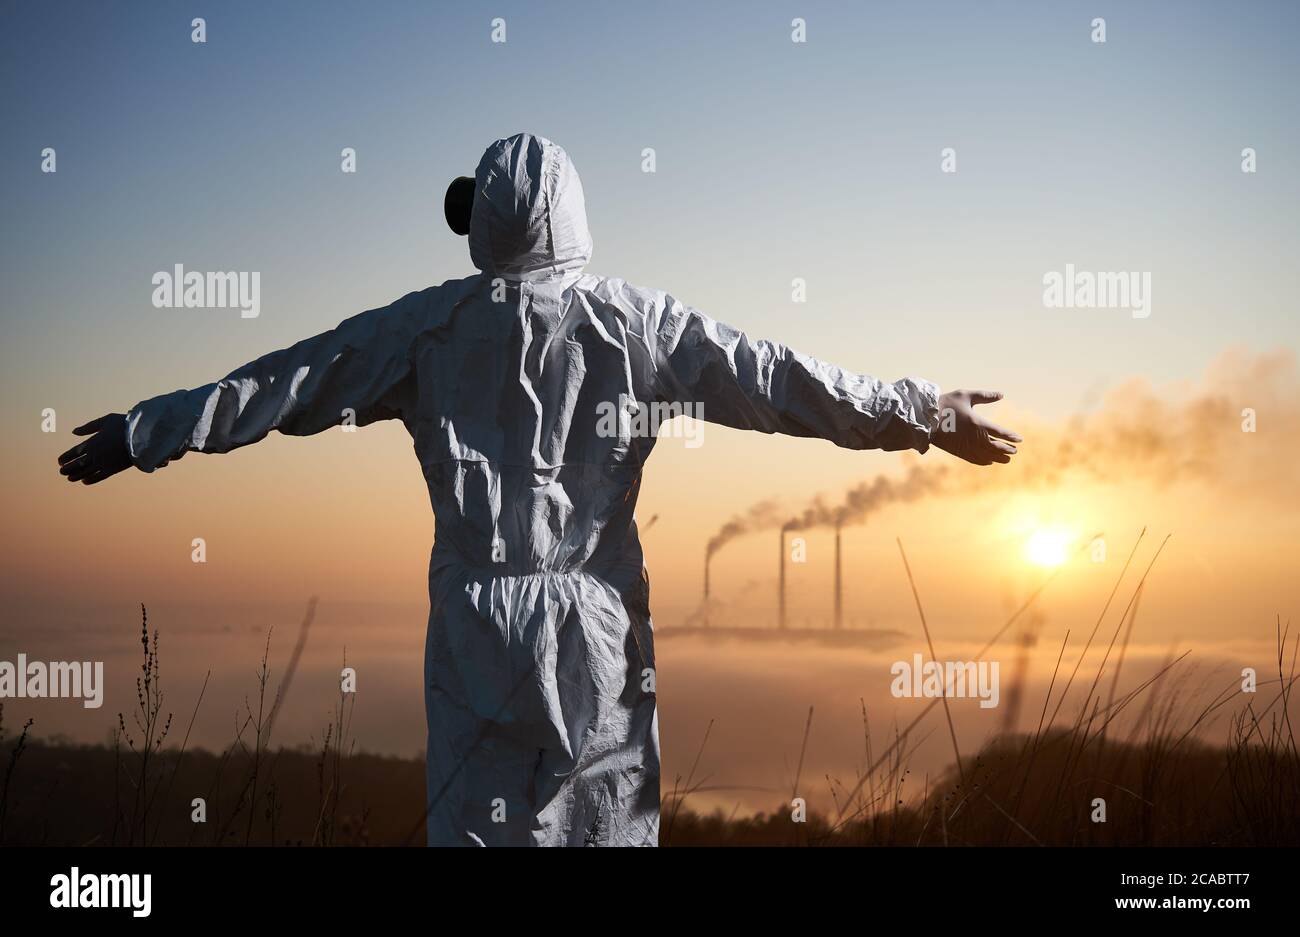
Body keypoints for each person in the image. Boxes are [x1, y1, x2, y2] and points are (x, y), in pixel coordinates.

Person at [57, 133, 1020, 846]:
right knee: (604, 825)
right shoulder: (635, 325)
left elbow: (295, 377)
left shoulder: (427, 329)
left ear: (483, 223)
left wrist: (152, 430)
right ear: (575, 216)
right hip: (596, 622)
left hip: (474, 624)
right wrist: (924, 412)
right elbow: (776, 378)